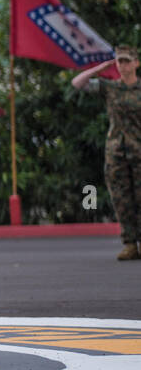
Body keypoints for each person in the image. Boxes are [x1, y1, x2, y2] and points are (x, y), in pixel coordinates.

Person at [72, 46, 141, 260]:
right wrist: (100, 68)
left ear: (137, 63)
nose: (123, 65)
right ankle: (130, 244)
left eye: (127, 61)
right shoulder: (110, 87)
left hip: (139, 150)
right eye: (120, 61)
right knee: (121, 199)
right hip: (116, 152)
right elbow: (77, 83)